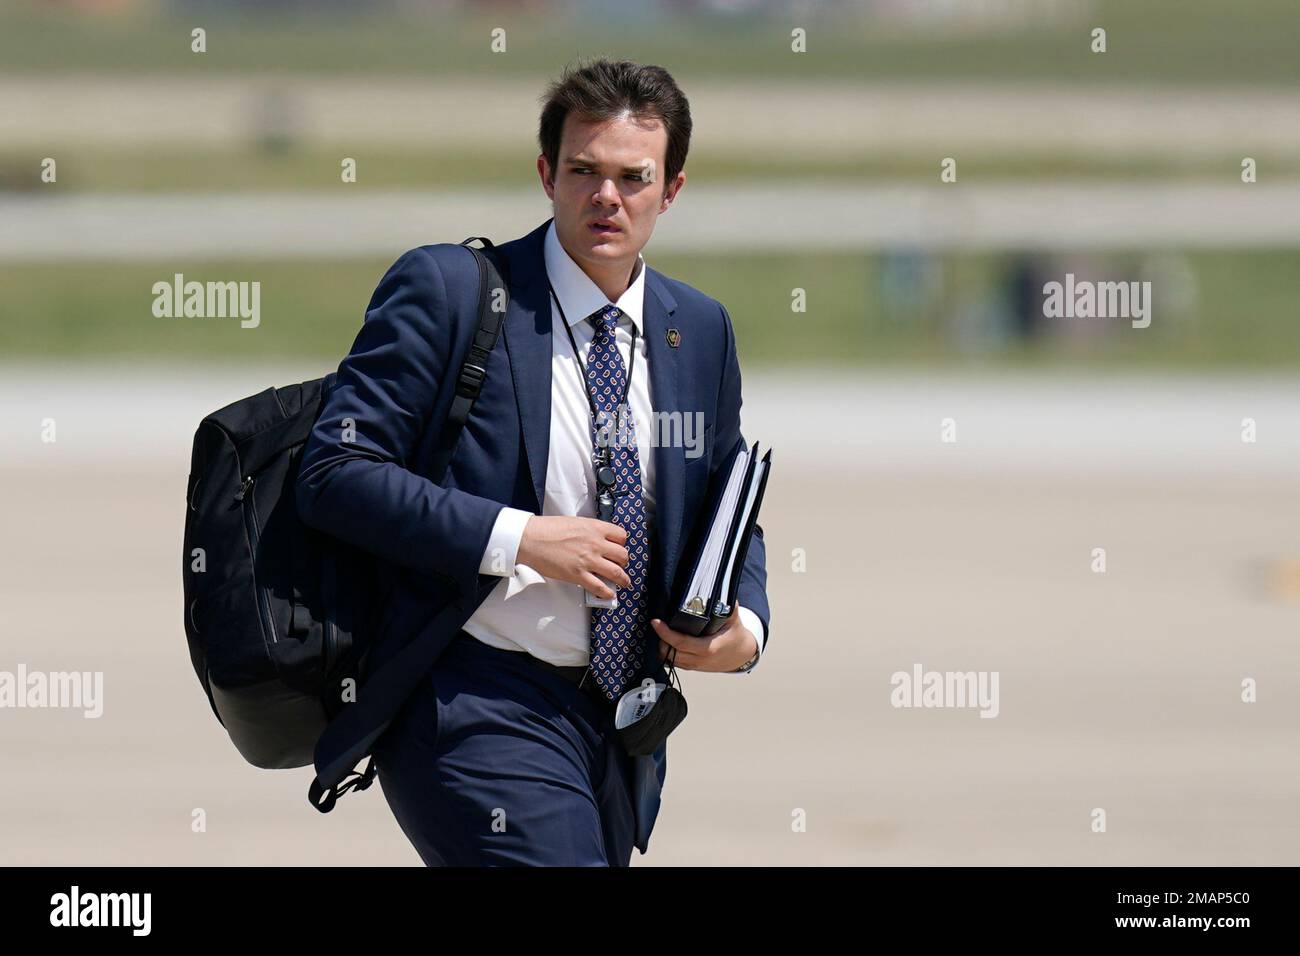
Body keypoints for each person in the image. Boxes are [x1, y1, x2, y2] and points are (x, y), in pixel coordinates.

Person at [295, 57, 771, 866]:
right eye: (582, 171)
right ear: (547, 174)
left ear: (673, 189)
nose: (605, 197)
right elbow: (334, 473)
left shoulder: (700, 328)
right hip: (472, 698)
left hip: (620, 722)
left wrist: (745, 628)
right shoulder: (452, 289)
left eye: (632, 177)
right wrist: (519, 538)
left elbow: (727, 508)